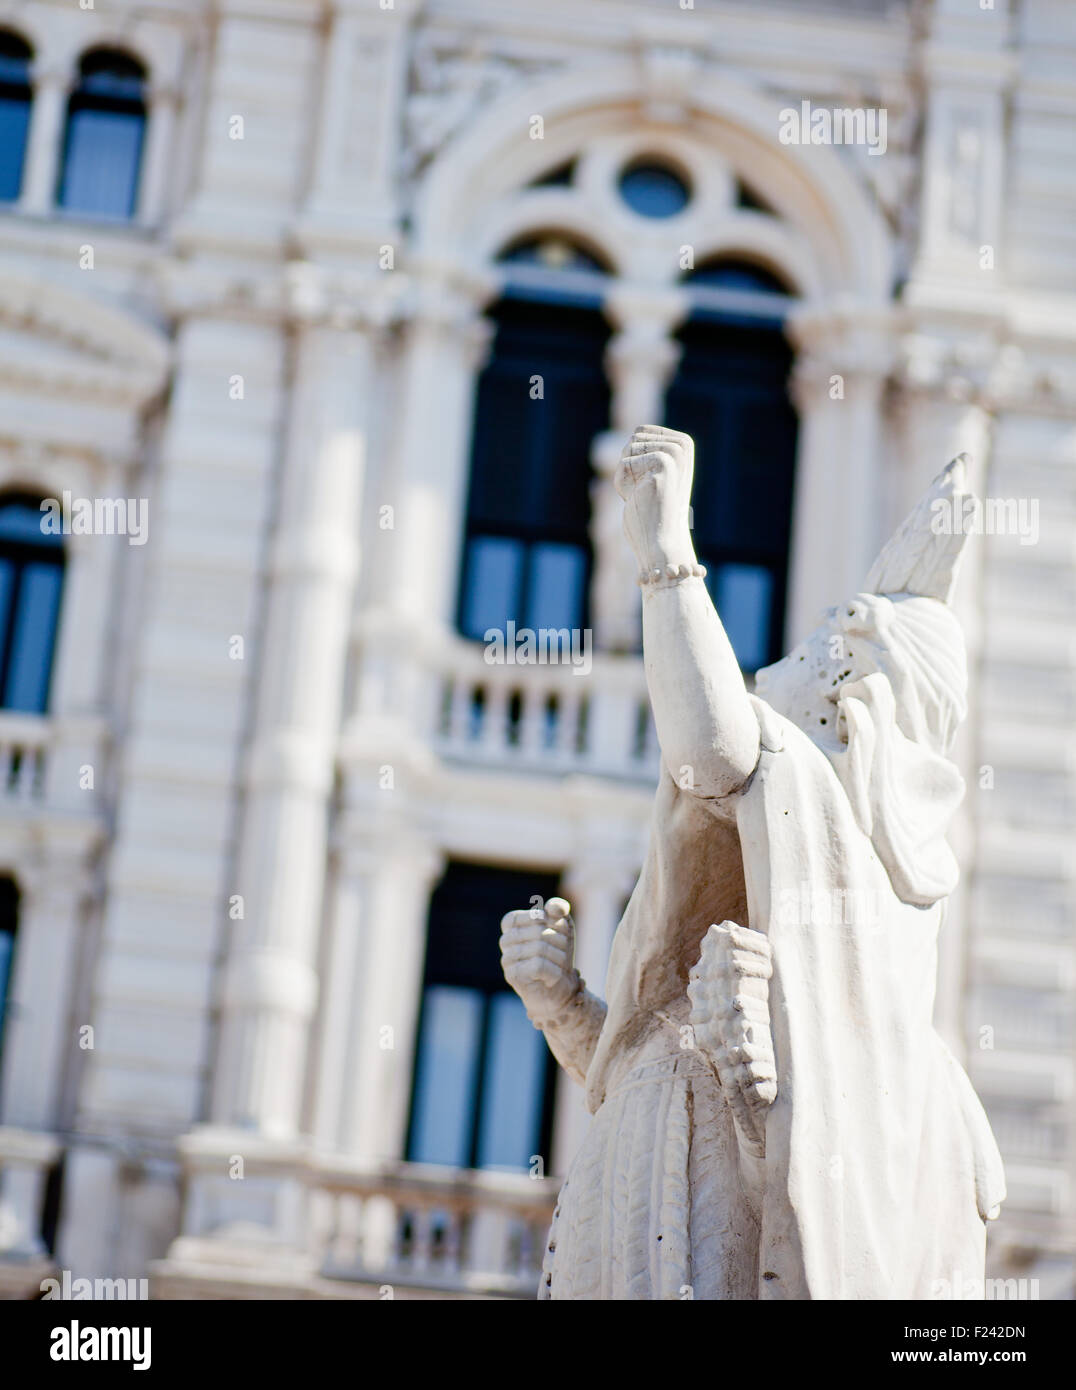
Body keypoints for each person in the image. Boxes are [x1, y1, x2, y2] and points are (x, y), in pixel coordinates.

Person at [499, 425, 1005, 1300]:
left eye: (814, 656)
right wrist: (565, 1009)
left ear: (855, 709)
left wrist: (665, 556)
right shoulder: (784, 871)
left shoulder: (810, 817)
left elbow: (712, 747)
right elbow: (655, 1075)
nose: (776, 670)